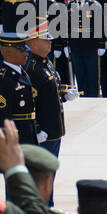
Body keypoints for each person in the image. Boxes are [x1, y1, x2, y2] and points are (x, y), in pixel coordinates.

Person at [25, 22, 75, 161]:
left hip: (54, 130)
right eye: (45, 40)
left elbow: (48, 93)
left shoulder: (46, 62)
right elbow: (29, 102)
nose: (50, 42)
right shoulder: (32, 69)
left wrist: (64, 95)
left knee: (48, 178)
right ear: (33, 44)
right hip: (44, 133)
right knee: (41, 178)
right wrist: (35, 129)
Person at [0, 33, 40, 146]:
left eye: (26, 49)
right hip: (17, 139)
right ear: (7, 53)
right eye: (22, 50)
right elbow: (0, 118)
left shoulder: (22, 72)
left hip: (29, 133)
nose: (26, 53)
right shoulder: (3, 80)